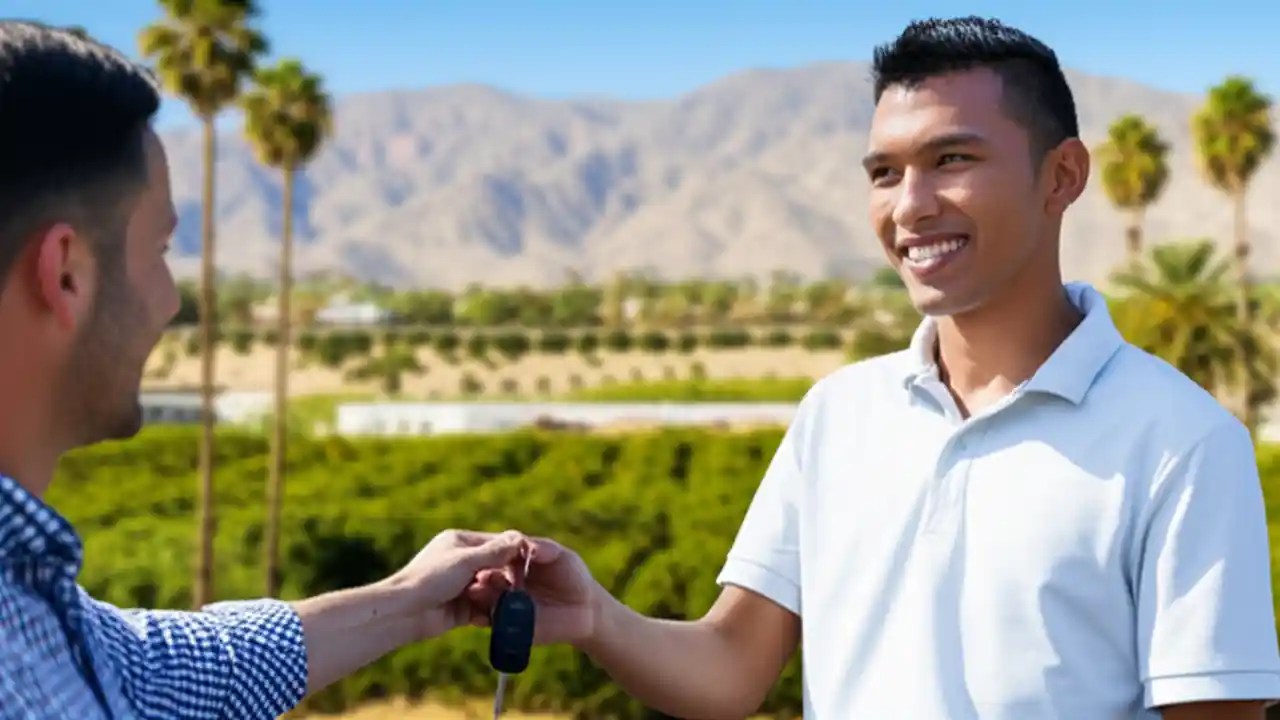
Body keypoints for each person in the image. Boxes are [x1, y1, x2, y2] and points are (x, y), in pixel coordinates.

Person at [462, 16, 1280, 720]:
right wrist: (599, 619)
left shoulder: (1184, 442)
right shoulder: (839, 414)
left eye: (952, 159)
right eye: (884, 172)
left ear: (1062, 175)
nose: (909, 205)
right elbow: (732, 667)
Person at [0, 20, 528, 720]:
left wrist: (407, 601)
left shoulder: (29, 601)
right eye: (160, 251)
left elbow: (153, 669)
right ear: (66, 273)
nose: (171, 299)